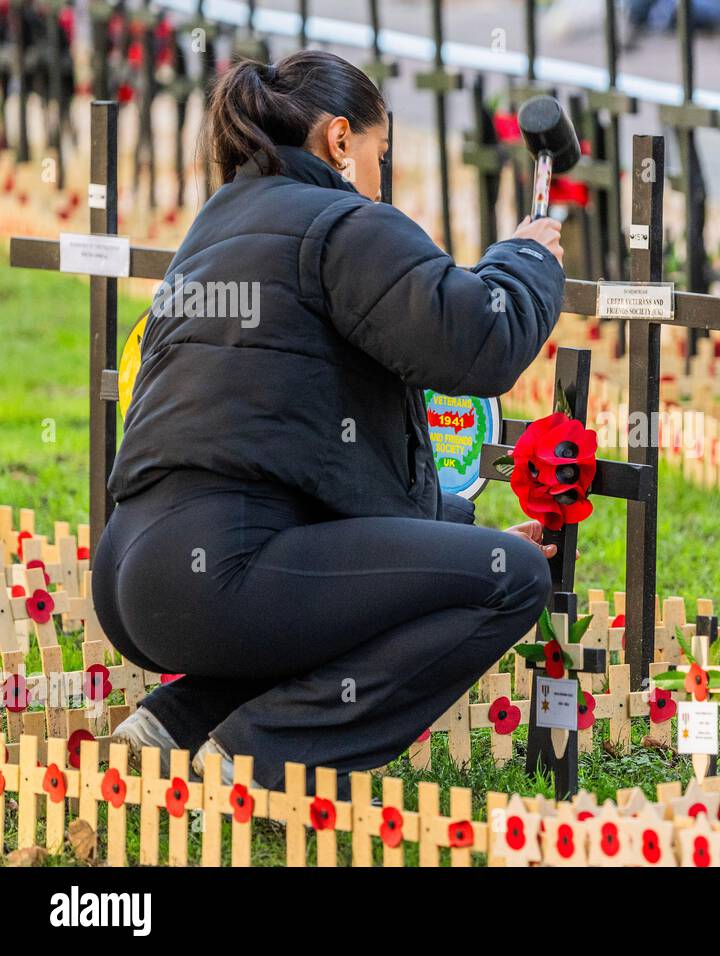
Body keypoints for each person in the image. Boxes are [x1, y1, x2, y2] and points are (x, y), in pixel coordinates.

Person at [93, 50, 565, 794]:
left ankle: (170, 726)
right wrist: (526, 259)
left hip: (133, 572)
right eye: (381, 153)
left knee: (459, 569)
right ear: (341, 141)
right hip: (224, 576)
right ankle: (252, 761)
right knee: (515, 580)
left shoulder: (216, 227)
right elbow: (480, 340)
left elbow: (316, 473)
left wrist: (459, 532)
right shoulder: (342, 223)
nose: (383, 176)